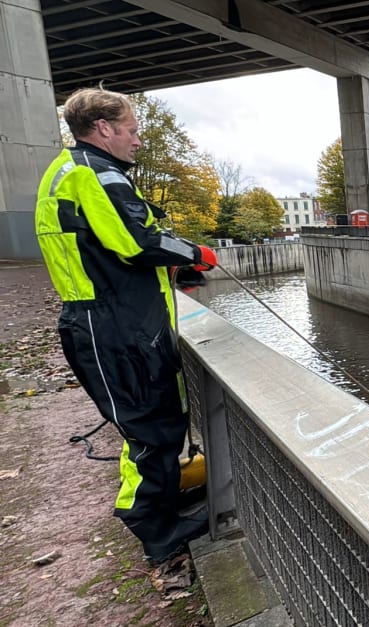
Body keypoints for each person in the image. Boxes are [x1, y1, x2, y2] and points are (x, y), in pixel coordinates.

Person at [34, 87, 218, 565]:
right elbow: (136, 241)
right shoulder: (96, 174)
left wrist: (171, 270)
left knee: (153, 420)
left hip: (112, 320)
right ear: (104, 128)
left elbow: (107, 244)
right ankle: (156, 529)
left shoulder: (70, 172)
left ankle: (159, 506)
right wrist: (196, 254)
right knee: (149, 426)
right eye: (132, 131)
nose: (137, 141)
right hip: (115, 326)